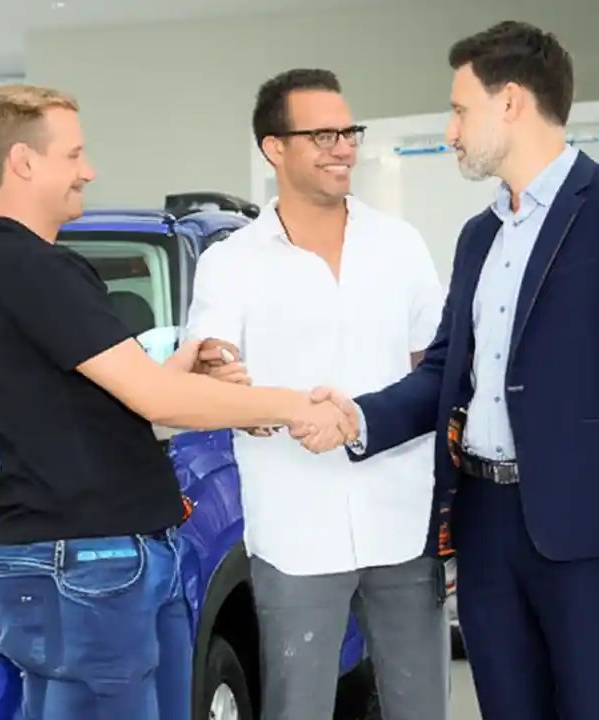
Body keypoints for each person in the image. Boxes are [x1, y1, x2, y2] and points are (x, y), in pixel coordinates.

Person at [309, 21, 599, 720]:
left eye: (460, 110)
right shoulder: (479, 236)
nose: (451, 130)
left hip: (591, 530)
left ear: (512, 102)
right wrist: (358, 416)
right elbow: (444, 375)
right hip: (486, 523)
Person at [0, 82, 356, 720]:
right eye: (74, 155)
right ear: (24, 163)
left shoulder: (27, 268)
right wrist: (291, 405)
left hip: (107, 558)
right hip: (87, 562)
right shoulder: (27, 268)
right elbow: (151, 395)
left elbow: (125, 401)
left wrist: (180, 369)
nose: (87, 171)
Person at [188, 69, 450, 720]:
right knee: (296, 707)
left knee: (421, 706)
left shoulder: (400, 245)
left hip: (402, 517)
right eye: (323, 134)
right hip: (294, 526)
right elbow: (211, 366)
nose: (344, 147)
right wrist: (230, 383)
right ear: (274, 147)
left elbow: (437, 368)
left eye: (349, 132)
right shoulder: (232, 261)